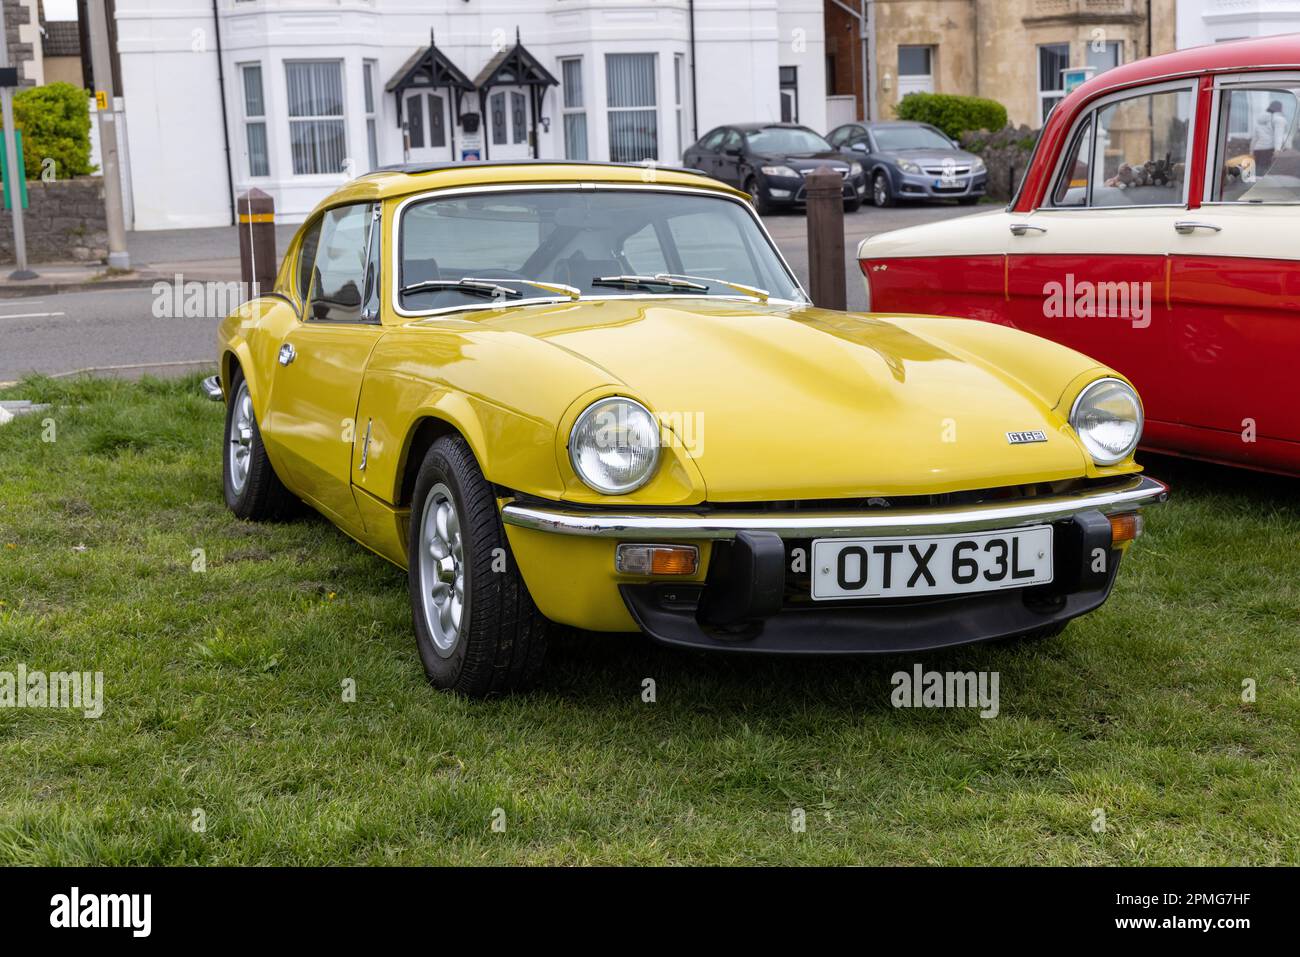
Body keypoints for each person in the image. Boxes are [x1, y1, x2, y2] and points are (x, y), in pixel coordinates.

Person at [1251, 100, 1289, 178]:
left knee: (1258, 173)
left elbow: (1255, 138)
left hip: (1257, 150)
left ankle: (1256, 188)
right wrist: (1277, 150)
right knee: (1270, 174)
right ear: (1280, 108)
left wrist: (1251, 151)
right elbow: (1278, 135)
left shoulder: (1260, 120)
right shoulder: (1279, 119)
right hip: (1269, 150)